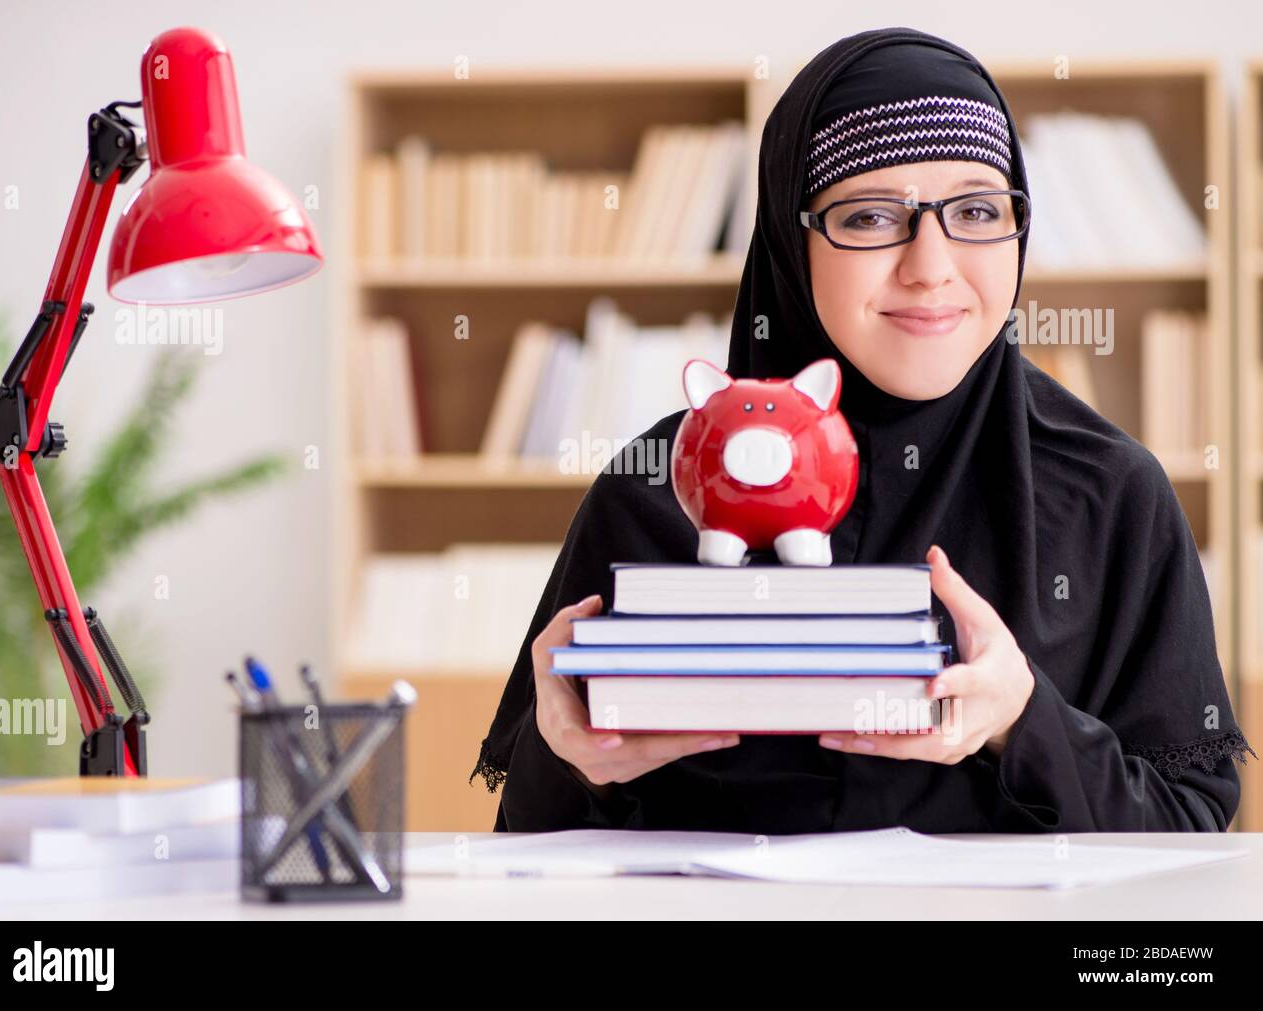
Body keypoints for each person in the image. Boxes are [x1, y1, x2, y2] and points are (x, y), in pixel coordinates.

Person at [470, 26, 1255, 834]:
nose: (931, 264)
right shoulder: (660, 486)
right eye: (872, 216)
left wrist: (1026, 722)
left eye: (978, 210)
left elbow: (1192, 827)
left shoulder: (1110, 493)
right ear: (788, 234)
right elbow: (532, 846)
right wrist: (564, 758)